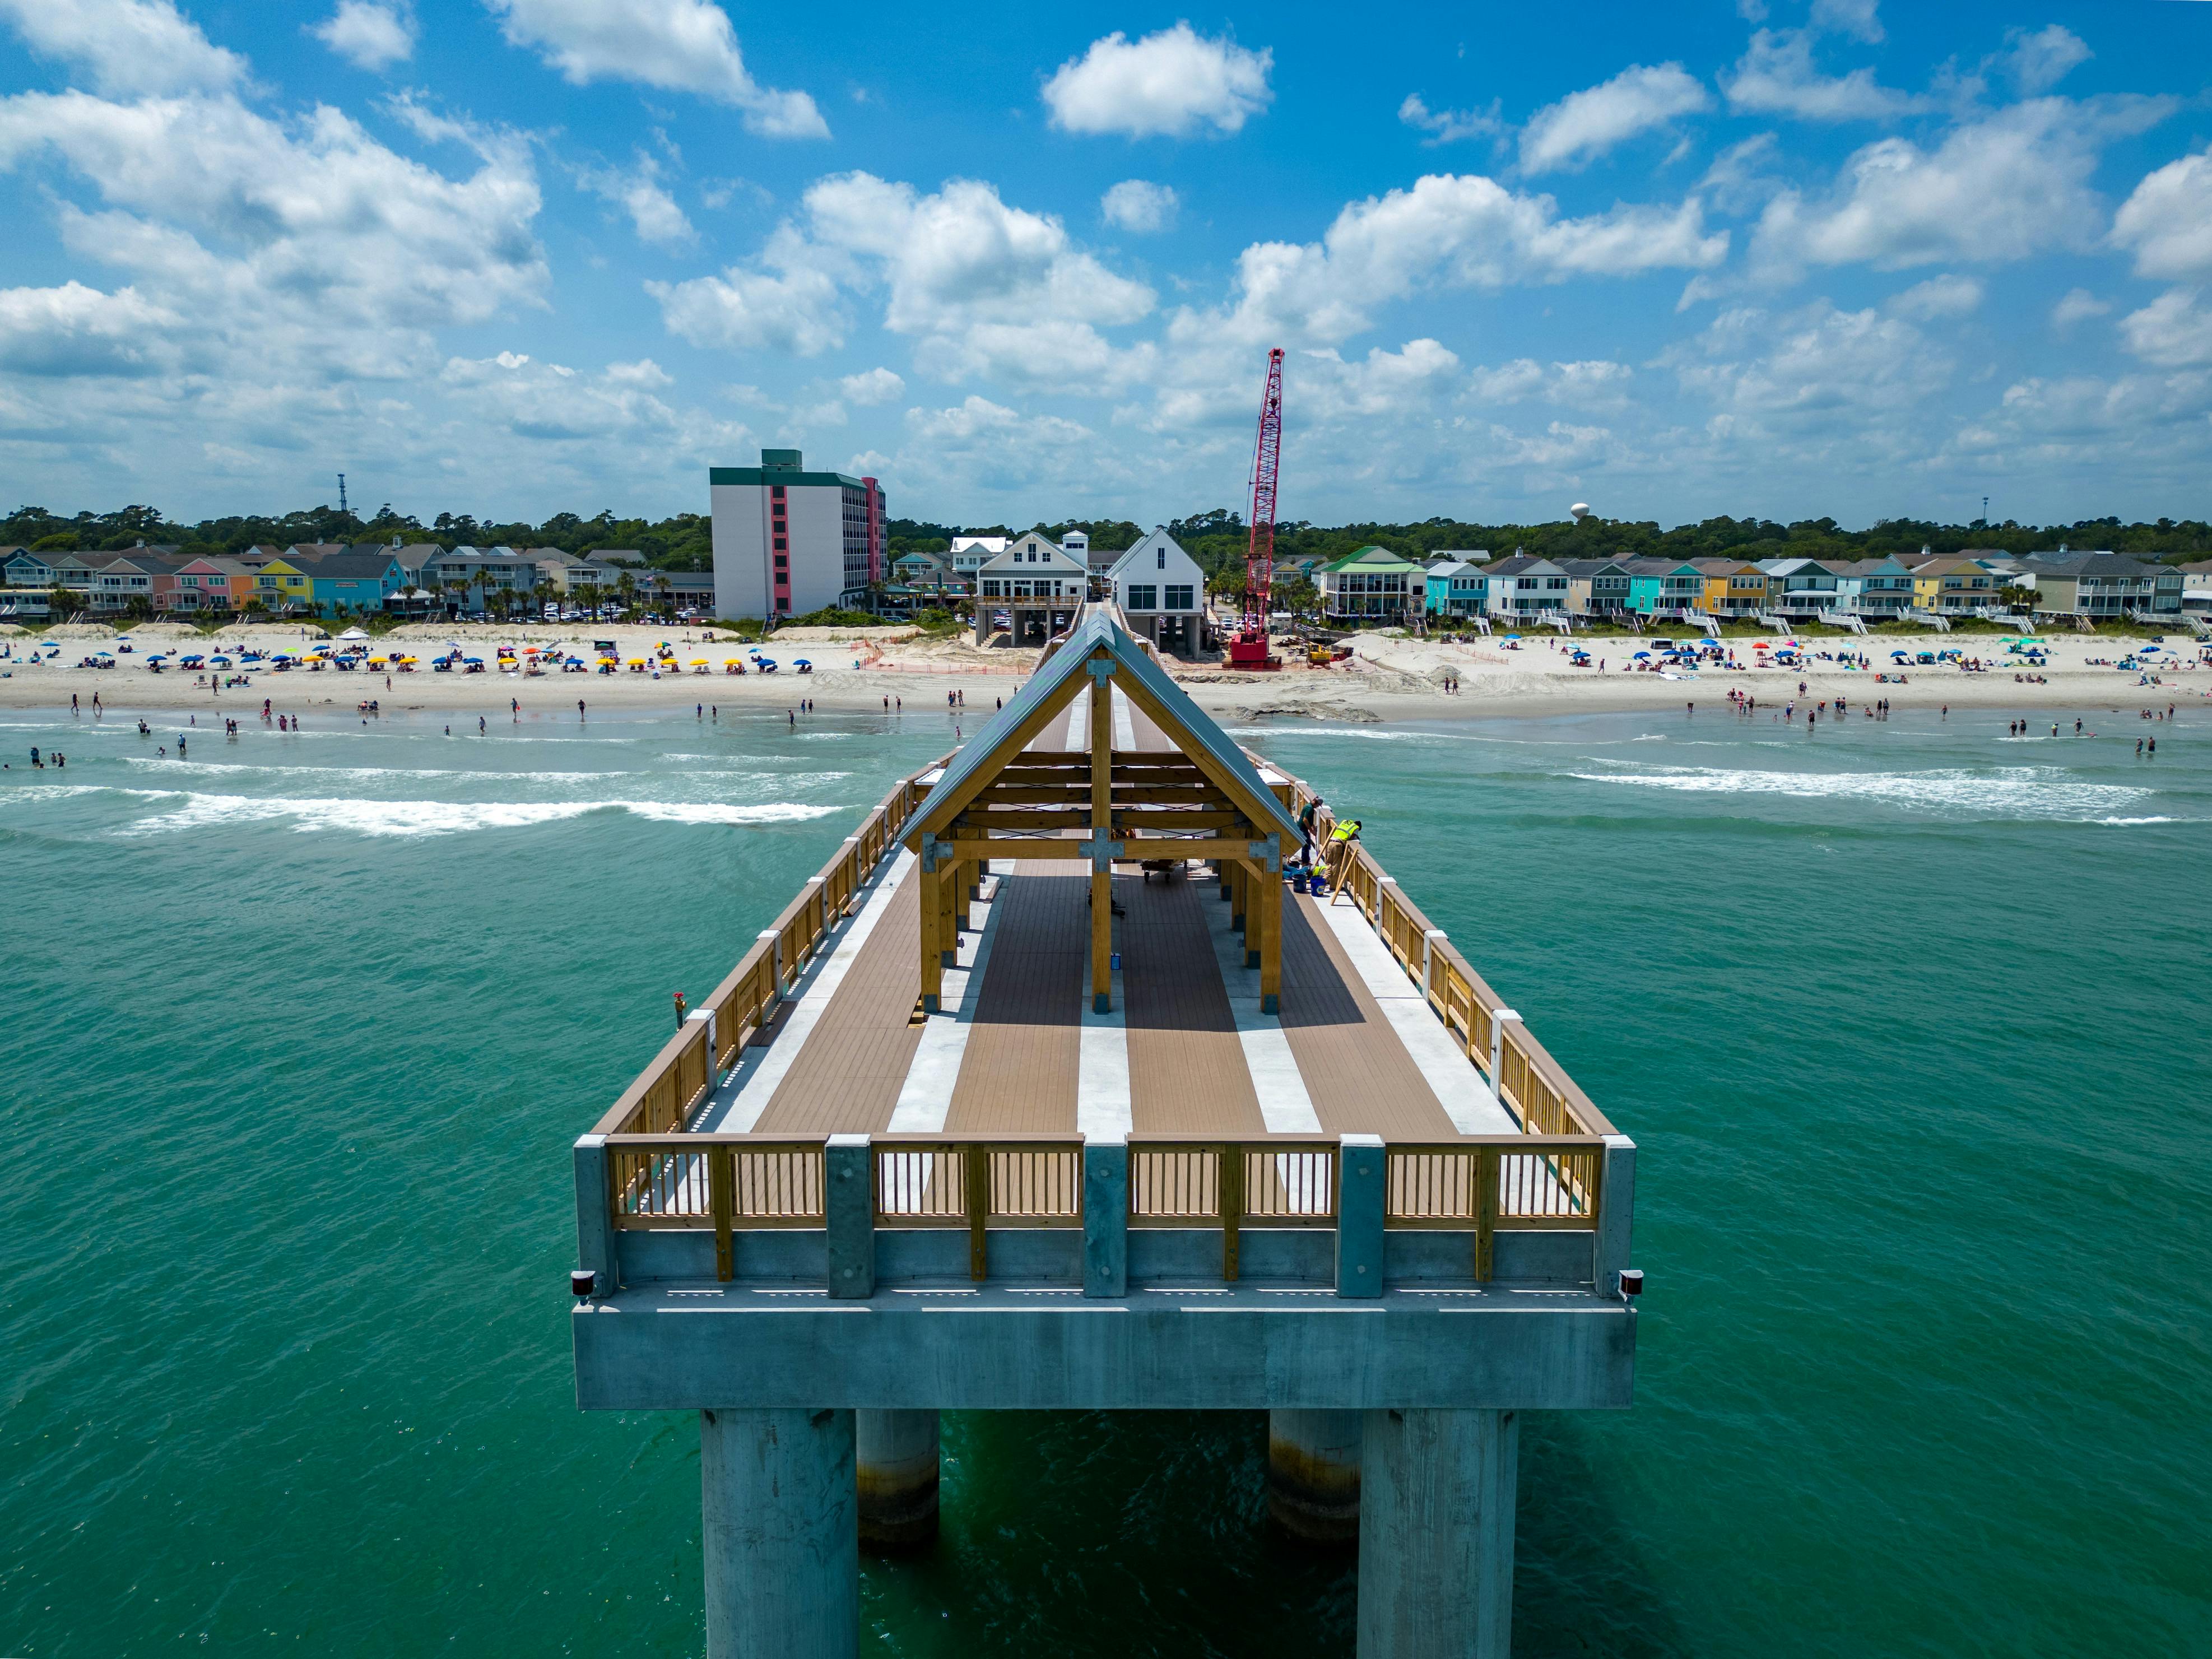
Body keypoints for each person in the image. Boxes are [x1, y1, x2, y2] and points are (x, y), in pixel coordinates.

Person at [1324, 816, 1362, 903]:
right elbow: (1354, 839)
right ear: (1358, 827)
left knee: (1330, 863)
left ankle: (1324, 879)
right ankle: (1334, 886)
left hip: (1331, 842)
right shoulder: (1355, 828)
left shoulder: (1345, 822)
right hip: (1338, 845)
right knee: (1336, 865)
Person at [1298, 794, 1323, 866]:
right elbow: (1305, 820)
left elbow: (1309, 820)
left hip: (1302, 828)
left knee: (1307, 843)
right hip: (1303, 828)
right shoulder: (1310, 809)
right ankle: (1305, 862)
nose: (1318, 807)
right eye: (1318, 805)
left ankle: (1306, 860)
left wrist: (1314, 828)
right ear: (1316, 803)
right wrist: (1312, 831)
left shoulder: (1309, 806)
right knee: (1306, 844)